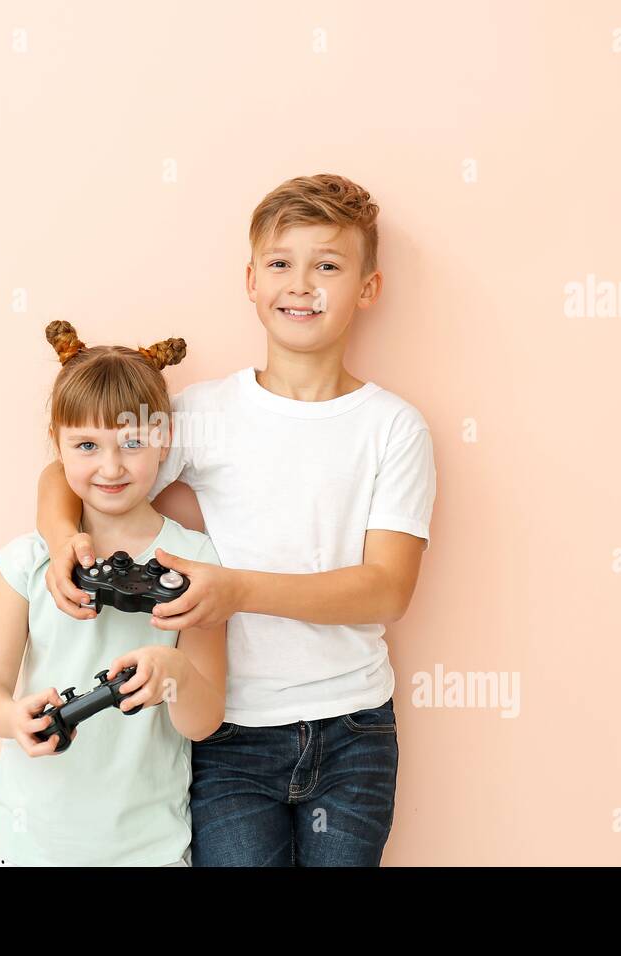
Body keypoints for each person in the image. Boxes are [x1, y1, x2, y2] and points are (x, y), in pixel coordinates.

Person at [36, 174, 437, 866]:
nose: (301, 285)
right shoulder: (204, 414)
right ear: (251, 280)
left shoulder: (394, 428)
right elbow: (72, 472)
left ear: (367, 288)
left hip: (354, 728)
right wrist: (59, 536)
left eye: (329, 266)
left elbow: (386, 589)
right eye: (281, 264)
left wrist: (238, 590)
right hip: (232, 735)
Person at [0, 320, 227, 866]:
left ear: (164, 441)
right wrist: (13, 717)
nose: (111, 467)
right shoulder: (26, 562)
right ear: (57, 446)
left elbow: (203, 720)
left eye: (132, 443)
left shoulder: (196, 562)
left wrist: (174, 674)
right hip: (29, 845)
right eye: (87, 445)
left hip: (146, 850)